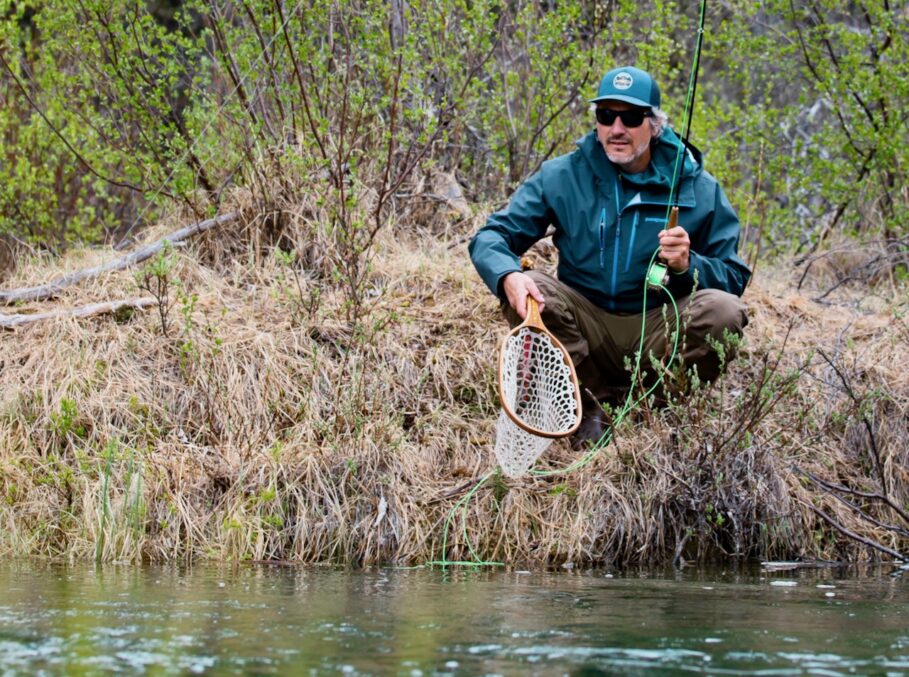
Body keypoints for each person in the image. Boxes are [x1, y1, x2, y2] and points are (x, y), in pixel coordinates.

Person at [469, 65, 751, 446]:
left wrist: (689, 266)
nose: (616, 128)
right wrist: (506, 275)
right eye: (606, 115)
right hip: (586, 320)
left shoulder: (697, 186)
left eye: (631, 117)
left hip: (656, 326)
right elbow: (492, 236)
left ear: (654, 125)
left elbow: (734, 278)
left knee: (724, 313)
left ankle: (646, 410)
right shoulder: (563, 175)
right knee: (531, 288)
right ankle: (587, 406)